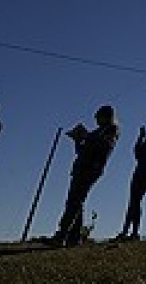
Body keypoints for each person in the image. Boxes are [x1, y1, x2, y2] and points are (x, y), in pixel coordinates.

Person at [51, 105, 120, 247]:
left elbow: (102, 148)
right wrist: (78, 140)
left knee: (74, 201)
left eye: (98, 116)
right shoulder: (97, 133)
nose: (95, 119)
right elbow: (82, 150)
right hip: (81, 167)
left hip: (91, 169)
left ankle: (62, 233)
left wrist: (87, 137)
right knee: (76, 201)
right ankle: (74, 237)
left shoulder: (110, 131)